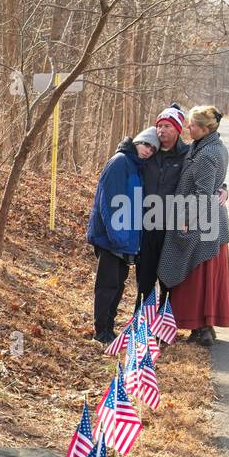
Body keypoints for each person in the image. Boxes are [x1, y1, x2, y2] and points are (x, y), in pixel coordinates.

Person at [138, 103, 229, 308]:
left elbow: (205, 185)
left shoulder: (189, 153)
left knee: (173, 274)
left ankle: (165, 321)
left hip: (176, 223)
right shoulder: (148, 151)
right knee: (145, 279)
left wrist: (222, 188)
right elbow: (128, 153)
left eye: (168, 126)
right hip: (150, 222)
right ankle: (141, 321)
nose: (162, 130)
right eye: (159, 125)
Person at [157, 105, 229, 345]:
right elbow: (215, 185)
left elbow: (202, 193)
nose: (188, 129)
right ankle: (204, 327)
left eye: (192, 125)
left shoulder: (207, 154)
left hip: (202, 224)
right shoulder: (210, 146)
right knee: (200, 275)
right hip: (209, 220)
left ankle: (200, 327)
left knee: (195, 274)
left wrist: (187, 221)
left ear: (205, 128)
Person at [87, 128, 157, 343]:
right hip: (111, 238)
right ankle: (101, 332)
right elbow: (109, 202)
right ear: (137, 142)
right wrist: (117, 237)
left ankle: (109, 328)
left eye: (153, 149)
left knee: (117, 286)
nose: (148, 151)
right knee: (107, 286)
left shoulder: (135, 166)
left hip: (125, 240)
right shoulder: (120, 162)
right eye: (146, 145)